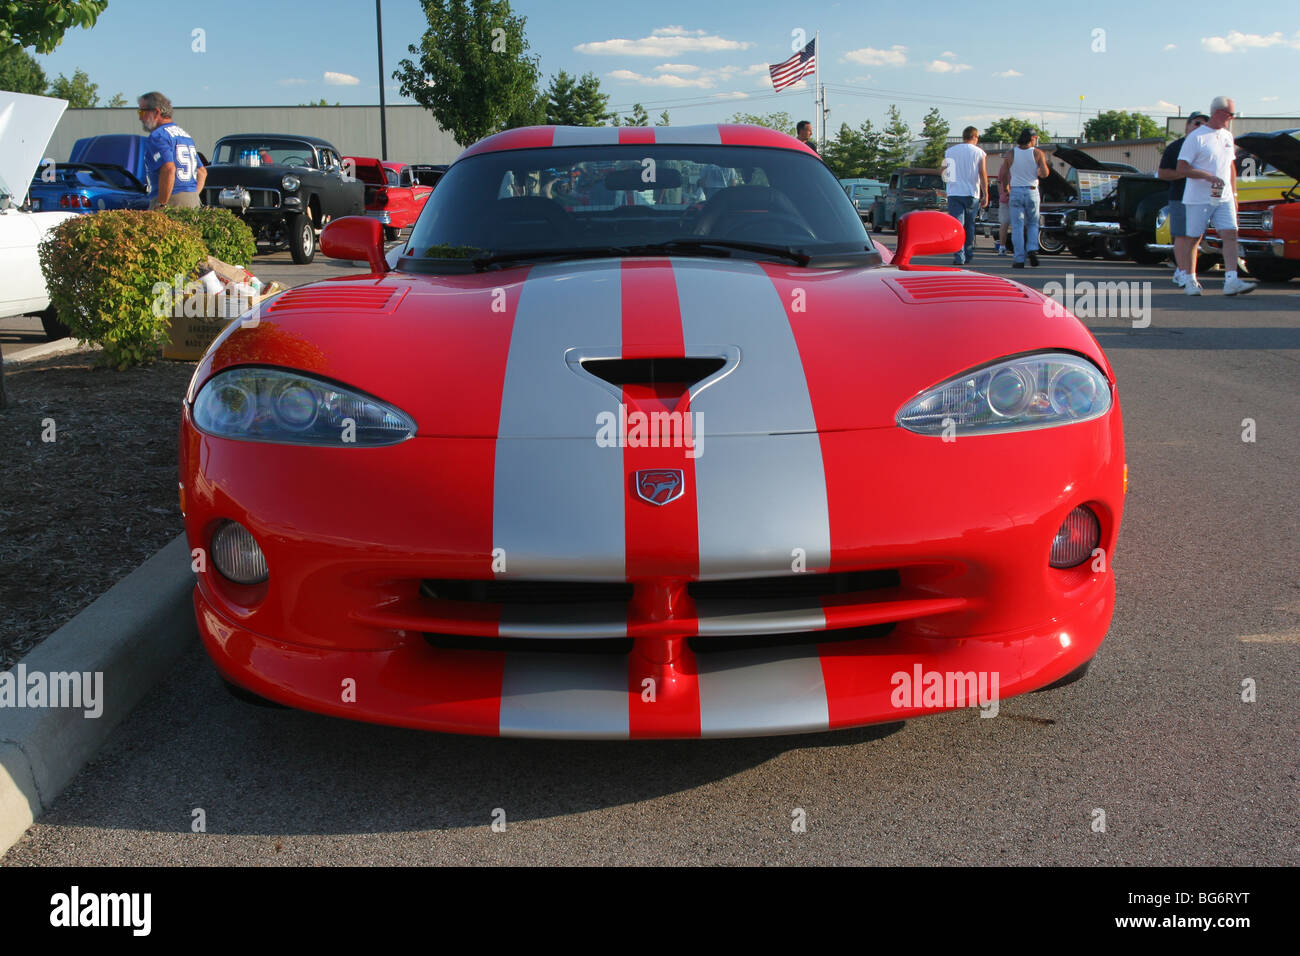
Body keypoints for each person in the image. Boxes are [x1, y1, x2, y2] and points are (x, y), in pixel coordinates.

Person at [1176, 96, 1256, 296]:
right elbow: (1182, 168)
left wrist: (1234, 194)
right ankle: (1189, 279)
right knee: (1193, 237)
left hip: (1224, 196)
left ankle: (1231, 279)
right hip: (1198, 197)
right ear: (1219, 113)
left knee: (1230, 233)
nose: (1232, 118)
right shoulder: (1196, 137)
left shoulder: (1228, 136)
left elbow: (1230, 167)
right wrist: (1207, 176)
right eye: (1230, 115)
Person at [1158, 113, 1210, 288]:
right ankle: (1182, 271)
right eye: (1196, 123)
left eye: (1204, 124)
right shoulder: (1176, 147)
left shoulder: (1208, 148)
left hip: (1202, 199)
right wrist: (1186, 173)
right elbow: (1163, 173)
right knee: (1181, 235)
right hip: (1180, 197)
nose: (1199, 126)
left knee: (1195, 236)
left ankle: (1189, 272)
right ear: (1187, 126)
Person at [137, 91, 205, 209]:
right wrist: (192, 195)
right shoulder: (185, 136)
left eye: (142, 112)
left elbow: (168, 169)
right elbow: (202, 172)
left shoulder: (158, 136)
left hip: (170, 200)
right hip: (192, 201)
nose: (140, 118)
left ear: (156, 112)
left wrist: (162, 203)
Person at [998, 128, 1050, 268]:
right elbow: (1045, 174)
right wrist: (1040, 168)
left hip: (1015, 191)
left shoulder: (1010, 153)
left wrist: (1005, 188)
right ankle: (1032, 249)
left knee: (1017, 226)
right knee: (1033, 223)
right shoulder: (1037, 153)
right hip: (1032, 190)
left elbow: (1002, 174)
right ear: (1032, 138)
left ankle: (1019, 259)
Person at [942, 126, 989, 265]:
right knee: (969, 225)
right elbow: (982, 173)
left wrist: (951, 183)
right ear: (974, 136)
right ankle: (968, 254)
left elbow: (944, 172)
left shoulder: (950, 151)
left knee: (957, 226)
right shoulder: (980, 153)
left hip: (954, 193)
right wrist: (985, 194)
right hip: (971, 193)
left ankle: (959, 255)